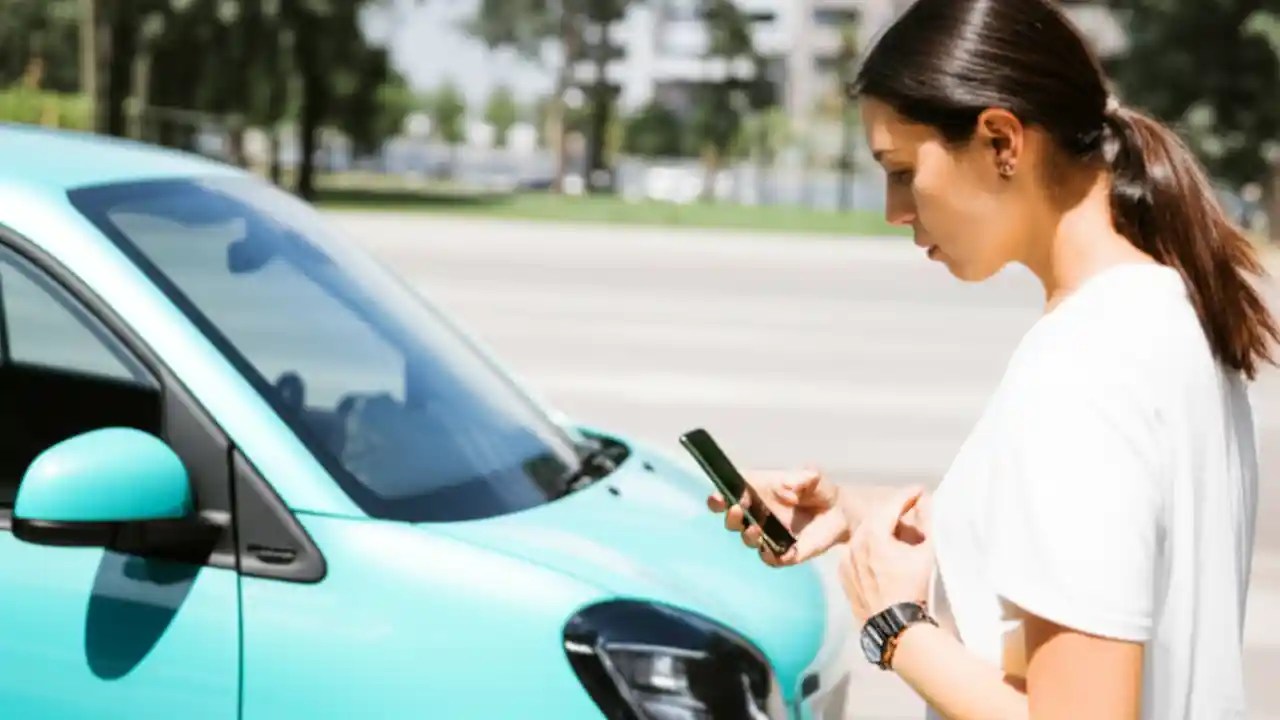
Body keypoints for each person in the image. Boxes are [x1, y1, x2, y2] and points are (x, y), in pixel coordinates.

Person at [707, 0, 1276, 717]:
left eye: (902, 170)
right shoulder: (1171, 311)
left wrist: (895, 625)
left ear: (1002, 141)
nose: (894, 209)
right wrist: (860, 514)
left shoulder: (1084, 370)